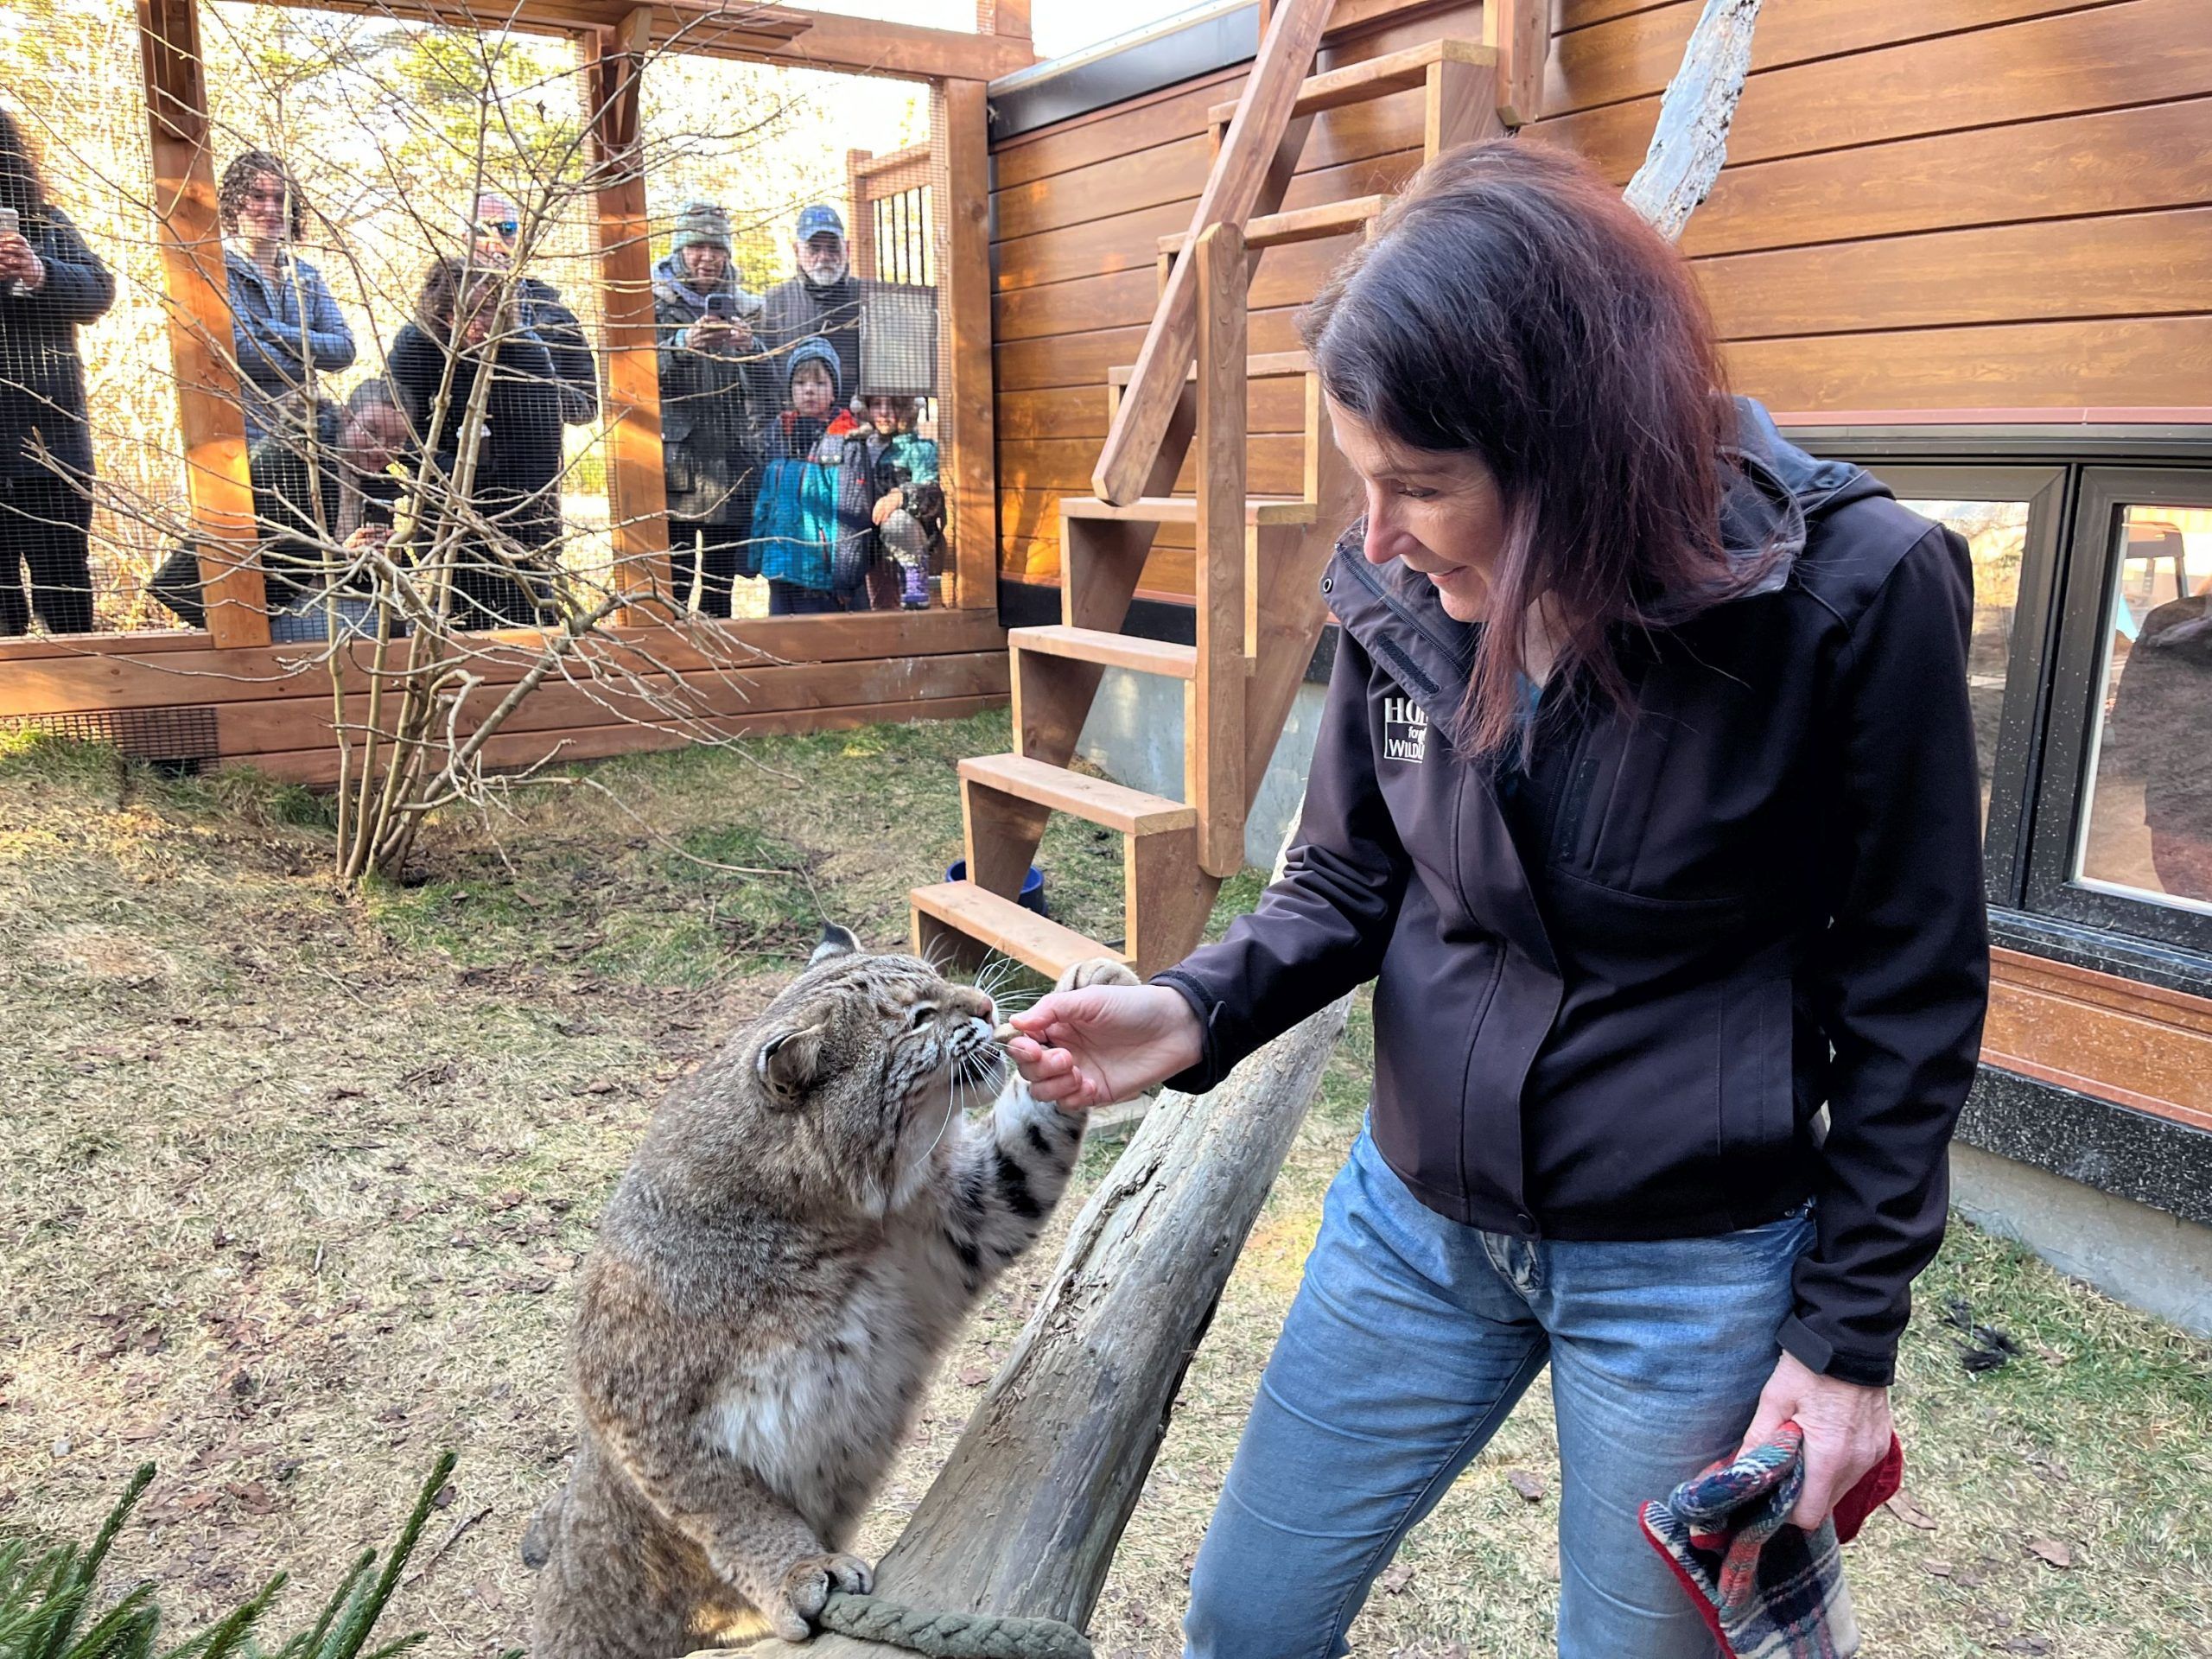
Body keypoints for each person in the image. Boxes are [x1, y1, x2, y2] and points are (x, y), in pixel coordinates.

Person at [1005, 141, 1991, 1659]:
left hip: (1691, 1270)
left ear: (1579, 453)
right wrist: (1188, 1008)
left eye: (1421, 486)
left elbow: (1913, 1001)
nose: (1376, 536)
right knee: (1244, 1624)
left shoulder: (1851, 597)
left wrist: (1848, 1343)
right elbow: (1347, 876)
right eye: (1361, 481)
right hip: (1410, 1225)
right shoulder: (1403, 590)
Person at [150, 378, 411, 641]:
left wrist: (390, 555)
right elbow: (277, 550)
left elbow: (376, 576)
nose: (381, 448)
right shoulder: (291, 457)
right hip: (256, 607)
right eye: (371, 431)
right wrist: (343, 554)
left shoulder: (376, 482)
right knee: (377, 631)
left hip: (321, 598)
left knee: (418, 618)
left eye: (396, 441)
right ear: (346, 417)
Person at [387, 256, 563, 629]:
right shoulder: (417, 347)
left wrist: (506, 506)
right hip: (442, 508)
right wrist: (452, 473)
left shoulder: (525, 353)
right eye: (468, 312)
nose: (479, 324)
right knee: (457, 614)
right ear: (444, 312)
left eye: (490, 311)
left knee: (529, 613)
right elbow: (401, 433)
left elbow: (545, 449)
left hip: (517, 510)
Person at [0, 103, 114, 636]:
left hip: (51, 441)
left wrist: (40, 270)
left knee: (65, 587)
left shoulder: (44, 221)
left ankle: (88, 715)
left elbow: (99, 292)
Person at [652, 200, 772, 617]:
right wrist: (680, 347)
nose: (707, 257)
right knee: (674, 586)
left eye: (717, 248)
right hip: (677, 470)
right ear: (679, 249)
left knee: (723, 593)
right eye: (697, 247)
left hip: (733, 468)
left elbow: (773, 391)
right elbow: (632, 375)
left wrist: (751, 350)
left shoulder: (749, 307)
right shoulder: (652, 301)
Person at [219, 150, 354, 447]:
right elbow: (242, 352)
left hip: (307, 435)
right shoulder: (217, 269)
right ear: (234, 203)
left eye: (281, 198)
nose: (271, 208)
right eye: (257, 196)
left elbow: (344, 350)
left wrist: (269, 330)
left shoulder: (305, 275)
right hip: (243, 439)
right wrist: (311, 363)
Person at [749, 334, 863, 615]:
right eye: (800, 383)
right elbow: (765, 500)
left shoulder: (846, 435)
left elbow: (853, 507)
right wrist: (754, 555)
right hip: (780, 565)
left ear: (834, 390)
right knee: (784, 644)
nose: (809, 391)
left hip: (822, 569)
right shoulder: (779, 432)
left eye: (819, 383)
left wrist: (846, 572)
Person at [467, 190, 599, 429]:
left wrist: (534, 370)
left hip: (535, 457)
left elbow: (586, 409)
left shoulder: (555, 314)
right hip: (456, 459)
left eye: (507, 228)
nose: (496, 240)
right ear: (465, 237)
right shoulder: (440, 310)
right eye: (482, 229)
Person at [842, 391, 942, 611]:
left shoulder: (918, 448)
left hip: (907, 534)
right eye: (877, 404)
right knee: (883, 608)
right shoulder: (857, 445)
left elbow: (931, 491)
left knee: (895, 520)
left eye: (894, 405)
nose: (885, 412)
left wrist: (900, 496)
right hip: (868, 539)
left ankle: (916, 574)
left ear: (906, 410)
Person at [760, 203, 866, 400]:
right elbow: (761, 379)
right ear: (796, 251)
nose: (824, 257)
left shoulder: (868, 298)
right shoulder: (773, 303)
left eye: (832, 248)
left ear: (848, 249)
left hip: (855, 423)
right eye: (814, 249)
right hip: (793, 426)